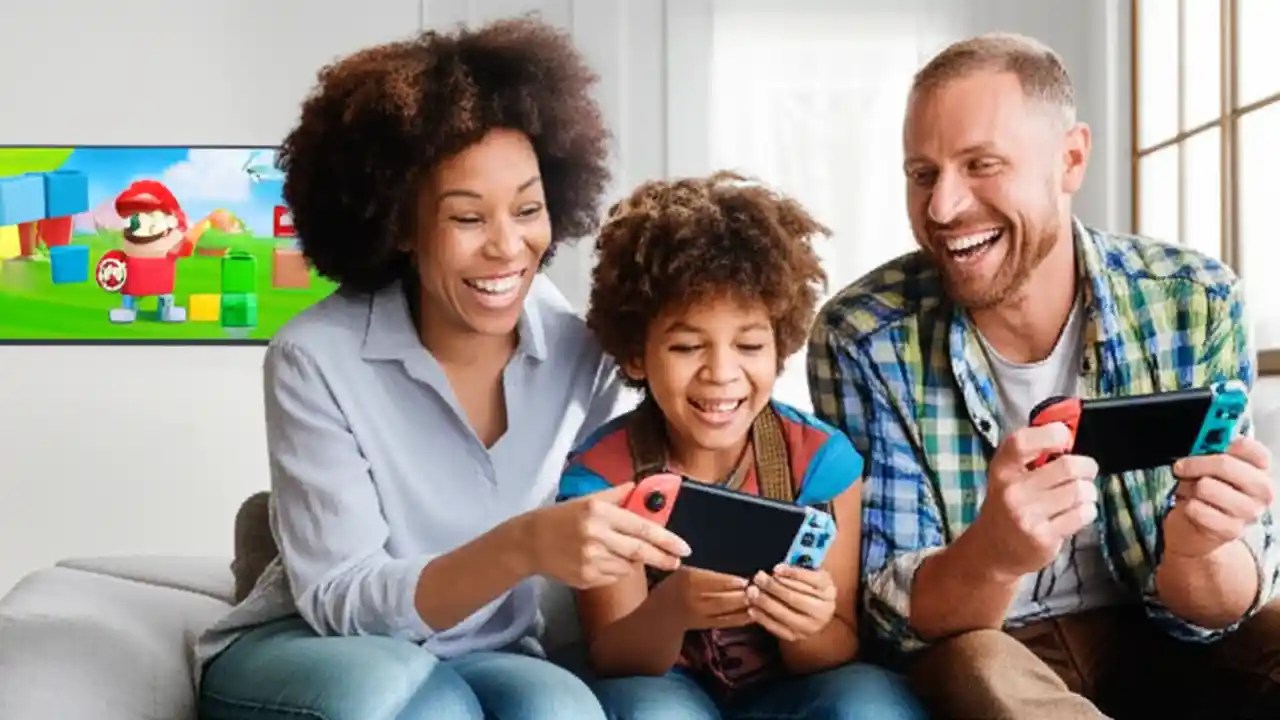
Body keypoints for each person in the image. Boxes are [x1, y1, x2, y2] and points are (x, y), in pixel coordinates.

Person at [192, 18, 693, 720]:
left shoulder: (585, 351)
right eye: (466, 218)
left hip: (493, 650)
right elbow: (341, 598)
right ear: (399, 225)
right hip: (315, 645)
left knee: (561, 710)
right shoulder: (316, 357)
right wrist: (522, 546)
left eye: (528, 209)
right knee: (421, 704)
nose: (507, 247)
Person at [806, 32, 1280, 719]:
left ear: (1070, 159)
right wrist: (994, 552)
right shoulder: (863, 336)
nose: (942, 209)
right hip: (997, 643)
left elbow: (1222, 607)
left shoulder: (1197, 300)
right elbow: (892, 616)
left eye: (981, 164)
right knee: (978, 664)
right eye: (922, 174)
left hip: (1166, 635)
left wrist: (1199, 550)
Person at [556, 172, 928, 719]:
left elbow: (833, 651)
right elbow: (614, 657)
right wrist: (674, 607)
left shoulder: (821, 462)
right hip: (661, 686)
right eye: (687, 346)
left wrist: (805, 623)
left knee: (870, 702)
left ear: (780, 346)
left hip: (790, 692)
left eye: (750, 344)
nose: (721, 374)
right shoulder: (601, 477)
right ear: (636, 353)